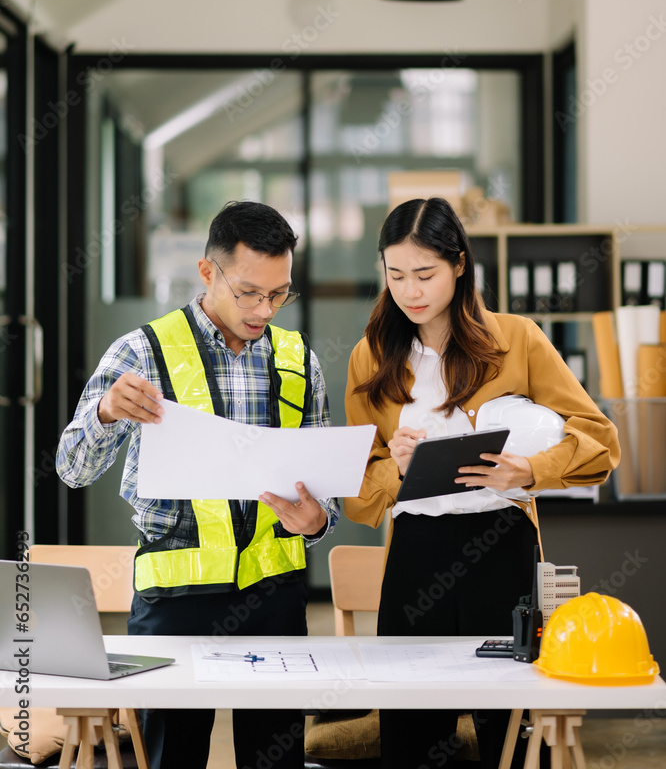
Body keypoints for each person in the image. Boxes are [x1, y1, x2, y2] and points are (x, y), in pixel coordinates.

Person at [56, 200, 338, 769]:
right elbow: (71, 467)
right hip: (173, 603)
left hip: (275, 601)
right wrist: (107, 413)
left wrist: (318, 521)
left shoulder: (298, 359)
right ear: (208, 272)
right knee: (171, 760)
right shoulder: (143, 352)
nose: (265, 309)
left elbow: (320, 488)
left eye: (280, 293)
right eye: (250, 292)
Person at [343, 197, 619, 769]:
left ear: (459, 265)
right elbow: (357, 493)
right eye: (396, 275)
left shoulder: (518, 340)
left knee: (512, 730)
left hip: (502, 544)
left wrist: (531, 470)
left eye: (425, 274)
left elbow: (601, 439)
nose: (410, 291)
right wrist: (394, 466)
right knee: (411, 735)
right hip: (415, 553)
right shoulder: (370, 357)